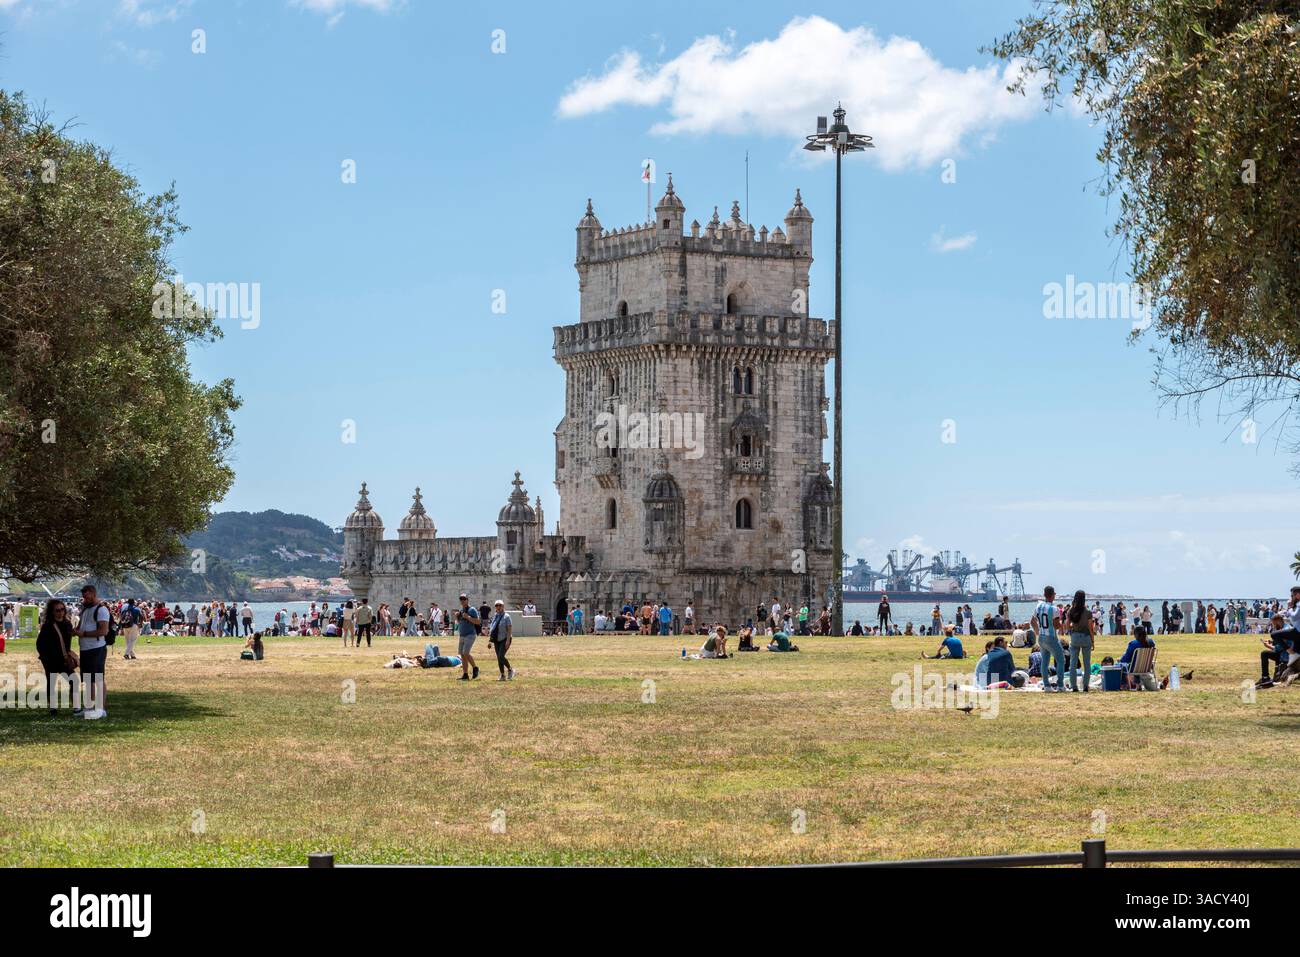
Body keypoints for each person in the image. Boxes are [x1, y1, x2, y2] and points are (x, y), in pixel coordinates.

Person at [36, 598, 77, 716]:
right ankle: (52, 708)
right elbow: (40, 644)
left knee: (74, 680)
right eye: (57, 610)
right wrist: (45, 658)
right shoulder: (48, 626)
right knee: (51, 682)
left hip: (64, 660)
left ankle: (75, 707)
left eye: (62, 609)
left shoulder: (67, 624)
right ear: (52, 612)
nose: (60, 612)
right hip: (51, 660)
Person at [76, 585, 110, 719]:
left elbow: (103, 631)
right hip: (85, 648)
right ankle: (89, 708)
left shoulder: (101, 610)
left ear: (93, 594)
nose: (84, 599)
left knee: (98, 679)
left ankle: (101, 709)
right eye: (83, 597)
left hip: (96, 648)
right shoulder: (85, 609)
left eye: (87, 596)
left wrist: (83, 633)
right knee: (88, 679)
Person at [1030, 585, 1067, 691]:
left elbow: (1032, 621)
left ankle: (1046, 685)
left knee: (1044, 662)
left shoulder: (1038, 606)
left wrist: (1038, 631)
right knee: (1061, 660)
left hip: (1041, 637)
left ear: (1044, 594)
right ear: (1053, 595)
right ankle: (1060, 685)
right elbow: (1056, 626)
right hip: (1051, 637)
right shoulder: (1054, 609)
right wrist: (1061, 622)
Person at [1064, 589, 1096, 692]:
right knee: (1087, 664)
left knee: (1072, 664)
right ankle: (1085, 685)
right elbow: (1091, 628)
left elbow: (1067, 626)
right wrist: (1093, 641)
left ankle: (1074, 686)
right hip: (1086, 637)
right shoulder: (1088, 612)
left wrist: (1072, 629)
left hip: (1075, 638)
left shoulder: (1070, 611)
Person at [454, 594, 480, 680]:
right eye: (461, 599)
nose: (462, 601)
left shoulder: (472, 610)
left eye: (464, 599)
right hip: (462, 635)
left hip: (470, 634)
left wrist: (468, 617)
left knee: (466, 653)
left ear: (467, 600)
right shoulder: (461, 610)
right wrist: (457, 617)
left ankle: (475, 668)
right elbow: (460, 622)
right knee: (462, 655)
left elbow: (477, 621)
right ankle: (465, 674)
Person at [487, 600, 515, 681]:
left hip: (505, 638)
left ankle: (510, 670)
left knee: (501, 656)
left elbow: (509, 629)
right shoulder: (495, 616)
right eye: (496, 605)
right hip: (496, 639)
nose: (498, 607)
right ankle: (502, 675)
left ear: (503, 606)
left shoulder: (507, 616)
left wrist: (508, 640)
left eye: (500, 605)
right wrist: (490, 641)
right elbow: (493, 629)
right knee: (499, 658)